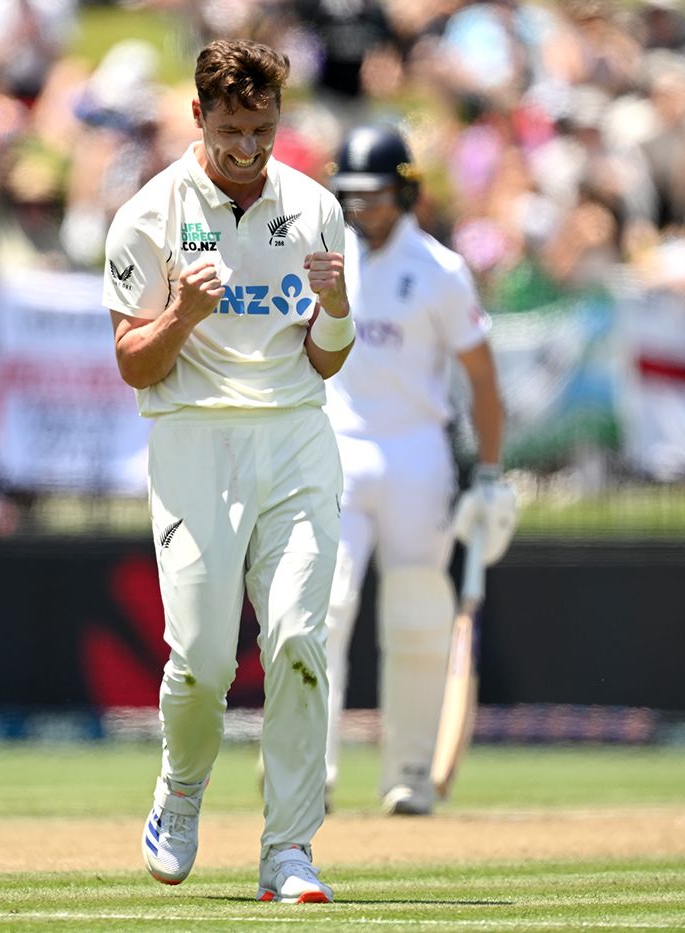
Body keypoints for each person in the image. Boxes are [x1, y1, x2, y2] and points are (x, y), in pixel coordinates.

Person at [102, 38, 352, 904]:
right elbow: (135, 363)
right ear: (200, 116)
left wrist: (341, 306)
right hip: (193, 441)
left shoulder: (316, 208)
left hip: (293, 438)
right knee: (205, 662)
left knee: (298, 641)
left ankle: (289, 849)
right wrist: (182, 312)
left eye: (265, 128)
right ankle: (181, 789)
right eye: (234, 129)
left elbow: (325, 362)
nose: (249, 148)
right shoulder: (148, 213)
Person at [322, 123, 517, 817]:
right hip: (339, 447)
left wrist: (489, 473)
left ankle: (408, 771)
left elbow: (483, 381)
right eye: (349, 195)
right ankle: (307, 768)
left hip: (417, 455)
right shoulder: (322, 253)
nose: (360, 209)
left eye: (374, 195)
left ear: (405, 193)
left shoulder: (439, 271)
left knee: (414, 616)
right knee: (325, 605)